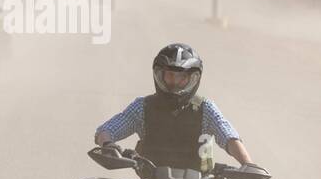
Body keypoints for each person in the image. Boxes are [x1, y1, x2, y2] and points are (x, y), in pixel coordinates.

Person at [94, 43, 253, 169]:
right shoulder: (142, 107)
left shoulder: (205, 108)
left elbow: (229, 137)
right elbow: (106, 130)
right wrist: (108, 145)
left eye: (182, 77)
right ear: (160, 75)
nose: (175, 82)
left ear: (193, 78)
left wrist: (248, 164)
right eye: (170, 75)